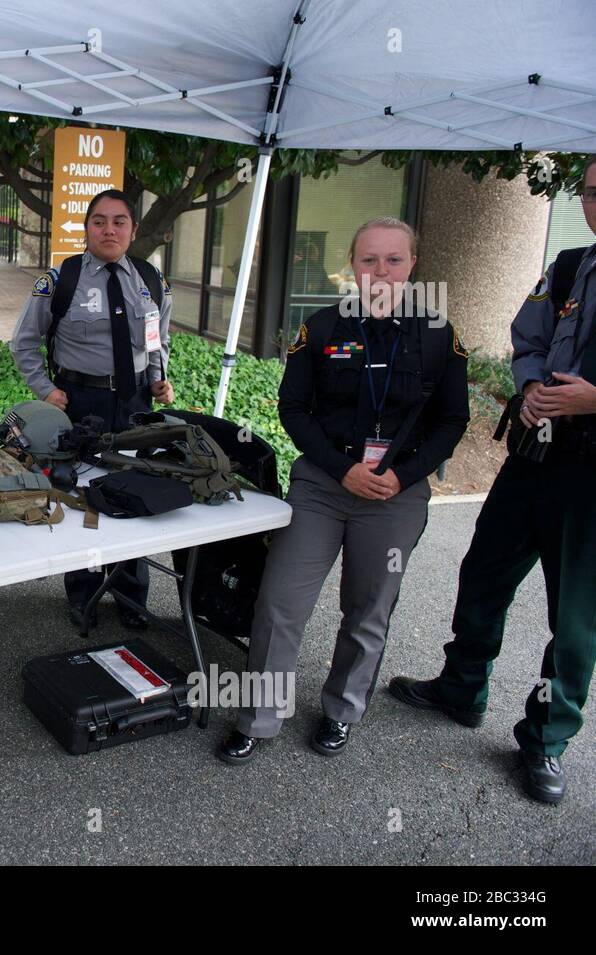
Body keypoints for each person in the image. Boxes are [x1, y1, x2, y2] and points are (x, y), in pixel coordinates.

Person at [218, 217, 469, 764]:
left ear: (412, 266)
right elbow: (294, 409)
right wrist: (340, 468)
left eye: (393, 261)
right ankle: (259, 718)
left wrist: (402, 475)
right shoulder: (322, 328)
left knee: (368, 608)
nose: (380, 272)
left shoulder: (438, 336)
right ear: (352, 267)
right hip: (323, 486)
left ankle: (342, 710)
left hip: (395, 495)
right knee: (281, 601)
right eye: (368, 260)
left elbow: (453, 420)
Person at [389, 157, 596, 805]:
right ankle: (462, 687)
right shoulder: (568, 266)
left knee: (575, 618)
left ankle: (545, 737)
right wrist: (531, 385)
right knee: (482, 572)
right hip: (534, 456)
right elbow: (527, 336)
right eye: (590, 189)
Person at [9, 189, 174, 630]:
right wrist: (45, 390)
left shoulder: (151, 279)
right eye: (99, 221)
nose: (109, 230)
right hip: (81, 404)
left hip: (136, 404)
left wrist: (160, 376)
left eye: (119, 221)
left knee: (133, 492)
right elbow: (23, 341)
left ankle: (130, 595)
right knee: (83, 498)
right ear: (86, 229)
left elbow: (158, 336)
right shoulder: (62, 277)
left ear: (133, 229)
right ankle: (82, 594)